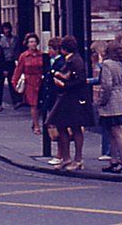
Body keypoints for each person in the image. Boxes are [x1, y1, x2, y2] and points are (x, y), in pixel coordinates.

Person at [46, 35, 96, 171]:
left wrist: (63, 83)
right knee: (61, 125)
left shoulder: (77, 61)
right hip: (66, 98)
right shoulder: (70, 60)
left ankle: (78, 159)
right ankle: (66, 158)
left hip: (75, 99)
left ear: (65, 48)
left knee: (75, 127)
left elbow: (80, 81)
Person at [96, 40, 122, 173]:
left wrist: (102, 100)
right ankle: (114, 160)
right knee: (115, 132)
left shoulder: (107, 64)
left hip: (111, 100)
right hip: (121, 97)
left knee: (115, 132)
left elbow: (106, 85)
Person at [39, 37, 66, 165]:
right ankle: (60, 155)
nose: (48, 51)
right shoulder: (51, 61)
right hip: (51, 98)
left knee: (59, 127)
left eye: (50, 48)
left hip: (57, 98)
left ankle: (60, 155)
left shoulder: (60, 62)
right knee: (54, 126)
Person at [12, 33, 44, 134]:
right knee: (33, 104)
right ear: (27, 44)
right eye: (30, 42)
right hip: (30, 81)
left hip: (40, 81)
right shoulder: (24, 56)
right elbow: (19, 69)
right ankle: (37, 126)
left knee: (41, 104)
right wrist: (15, 82)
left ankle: (35, 122)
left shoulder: (41, 55)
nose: (33, 44)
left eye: (34, 41)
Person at [0, 22, 23, 108]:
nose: (7, 31)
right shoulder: (1, 40)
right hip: (4, 62)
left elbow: (17, 49)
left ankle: (16, 100)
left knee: (13, 80)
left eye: (8, 28)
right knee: (0, 83)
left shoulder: (15, 39)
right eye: (5, 29)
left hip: (13, 62)